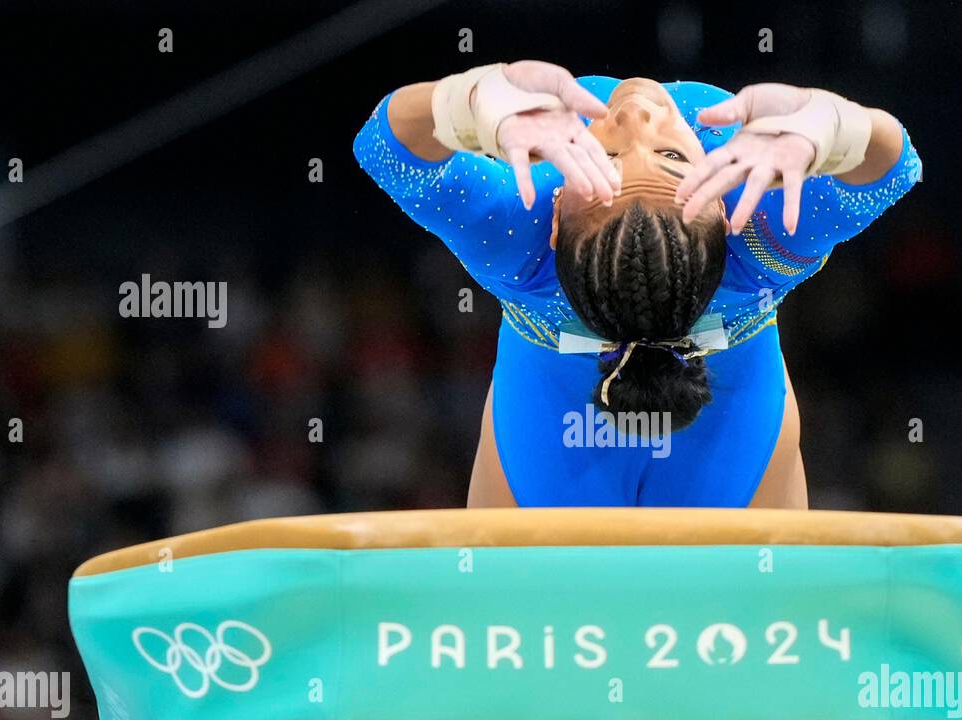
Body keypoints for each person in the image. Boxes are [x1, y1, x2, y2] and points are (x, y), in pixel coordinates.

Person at [353, 60, 920, 507]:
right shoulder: (760, 235)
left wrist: (468, 101)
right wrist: (835, 126)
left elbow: (385, 148)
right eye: (672, 156)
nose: (636, 120)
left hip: (549, 416)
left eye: (605, 155)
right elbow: (894, 167)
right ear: (725, 216)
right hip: (730, 417)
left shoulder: (518, 229)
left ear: (553, 224)